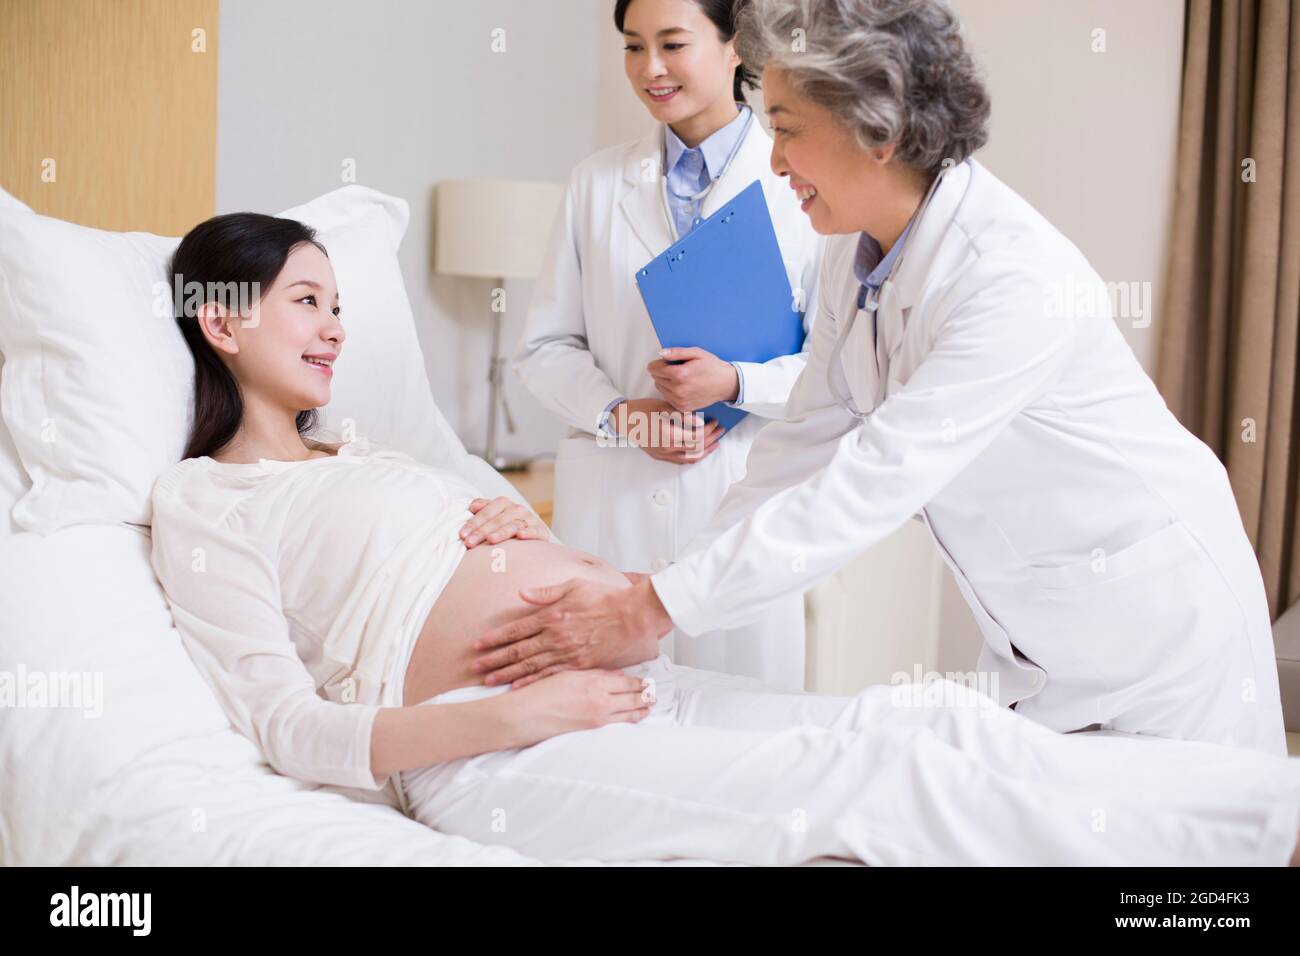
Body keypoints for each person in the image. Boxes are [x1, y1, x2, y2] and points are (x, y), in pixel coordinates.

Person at [148, 212, 1300, 867]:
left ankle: (1260, 818)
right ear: (220, 315)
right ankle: (1269, 828)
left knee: (923, 722)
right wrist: (517, 710)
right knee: (882, 773)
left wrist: (530, 541)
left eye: (341, 301)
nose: (338, 327)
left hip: (627, 683)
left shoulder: (370, 457)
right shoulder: (206, 502)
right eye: (307, 299)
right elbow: (291, 728)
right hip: (492, 751)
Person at [474, 0, 1289, 758]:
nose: (777, 158)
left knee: (1187, 890)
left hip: (1161, 632)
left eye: (788, 130)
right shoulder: (850, 250)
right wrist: (662, 590)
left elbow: (873, 479)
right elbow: (801, 446)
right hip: (1041, 633)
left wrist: (651, 608)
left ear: (880, 132)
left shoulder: (1007, 276)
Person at [512, 0, 825, 691]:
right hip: (614, 506)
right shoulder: (595, 183)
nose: (649, 68)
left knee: (743, 739)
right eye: (632, 46)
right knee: (606, 730)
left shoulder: (801, 184)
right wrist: (622, 413)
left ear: (735, 44)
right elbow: (543, 350)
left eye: (673, 44)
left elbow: (837, 371)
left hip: (740, 506)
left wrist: (737, 383)